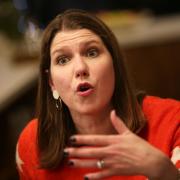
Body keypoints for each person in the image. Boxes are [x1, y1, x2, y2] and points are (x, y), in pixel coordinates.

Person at [16, 9, 180, 180]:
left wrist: (165, 172)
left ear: (115, 66)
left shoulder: (173, 121)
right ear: (51, 82)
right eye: (63, 59)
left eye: (92, 52)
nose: (80, 68)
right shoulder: (34, 141)